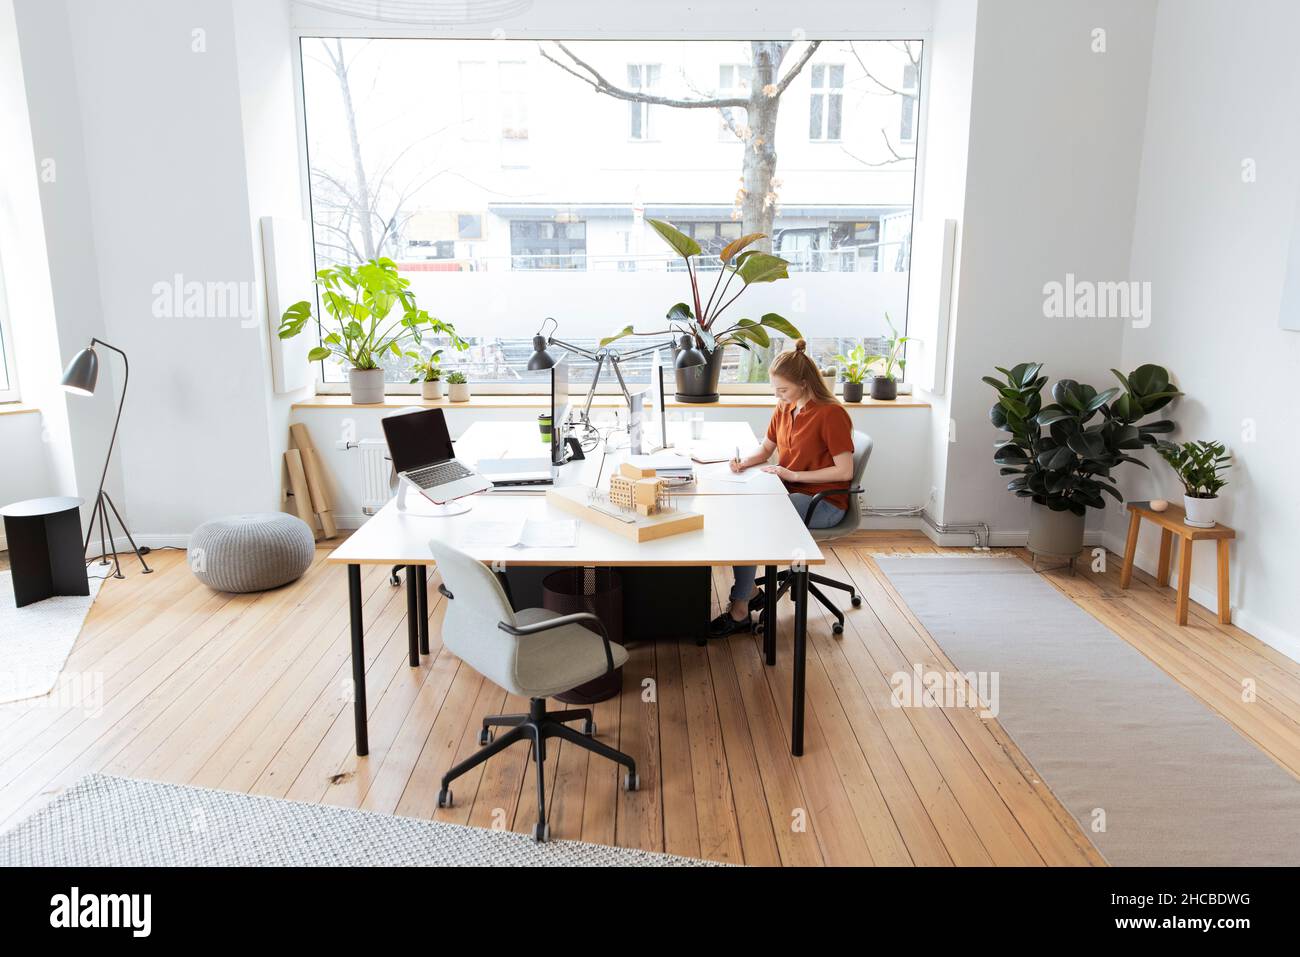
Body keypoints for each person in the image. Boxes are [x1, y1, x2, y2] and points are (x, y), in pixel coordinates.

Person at [709, 339, 855, 638]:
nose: (778, 396)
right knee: (740, 511)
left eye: (783, 390)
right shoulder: (785, 407)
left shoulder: (830, 414)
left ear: (804, 383)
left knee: (751, 520)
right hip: (788, 491)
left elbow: (845, 470)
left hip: (823, 503)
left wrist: (793, 474)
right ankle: (748, 590)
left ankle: (740, 610)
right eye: (775, 390)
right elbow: (765, 449)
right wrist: (743, 462)